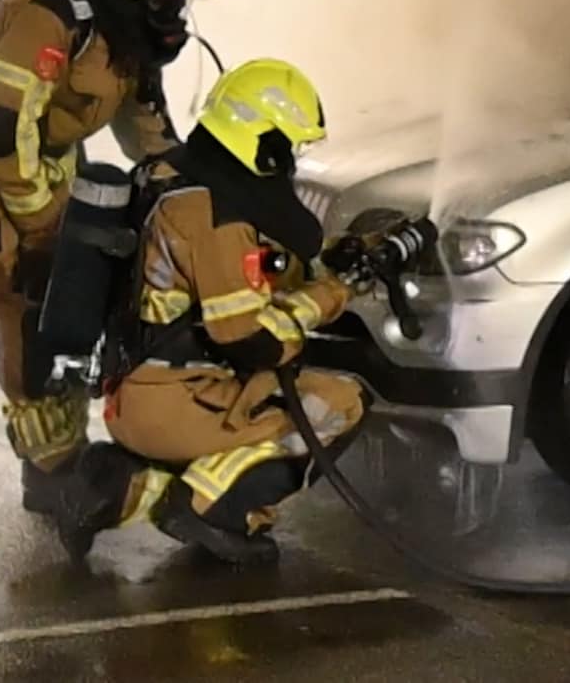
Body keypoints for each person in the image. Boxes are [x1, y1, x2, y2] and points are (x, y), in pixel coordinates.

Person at [0, 0, 218, 511]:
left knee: (76, 291)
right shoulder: (50, 14)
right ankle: (51, 469)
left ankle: (69, 441)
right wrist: (38, 233)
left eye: (182, 1)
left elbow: (149, 130)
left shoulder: (123, 27)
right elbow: (2, 136)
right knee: (11, 280)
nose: (175, 15)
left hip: (46, 143)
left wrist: (196, 196)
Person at [53, 59, 366, 566]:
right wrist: (330, 296)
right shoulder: (215, 215)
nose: (291, 160)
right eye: (289, 145)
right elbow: (249, 340)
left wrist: (321, 264)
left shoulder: (171, 173)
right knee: (341, 402)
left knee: (257, 392)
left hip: (133, 392)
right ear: (261, 139)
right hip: (178, 401)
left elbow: (214, 285)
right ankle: (210, 508)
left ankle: (116, 485)